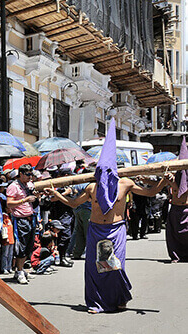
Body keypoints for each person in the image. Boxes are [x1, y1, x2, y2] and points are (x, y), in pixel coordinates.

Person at [45, 121, 170, 313]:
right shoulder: (91, 188)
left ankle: (121, 298)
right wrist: (58, 194)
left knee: (115, 266)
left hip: (116, 230)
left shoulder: (125, 184)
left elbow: (149, 193)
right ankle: (96, 302)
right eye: (100, 171)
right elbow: (73, 204)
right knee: (95, 268)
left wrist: (163, 182)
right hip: (95, 230)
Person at [7, 165, 37, 284]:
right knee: (22, 247)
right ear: (21, 174)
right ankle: (19, 271)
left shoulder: (28, 185)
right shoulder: (13, 186)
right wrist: (24, 200)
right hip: (20, 219)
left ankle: (20, 269)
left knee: (29, 245)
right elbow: (9, 204)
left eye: (31, 174)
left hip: (31, 217)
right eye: (28, 174)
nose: (30, 177)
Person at [165, 142, 188, 262]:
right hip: (175, 209)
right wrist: (144, 179)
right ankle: (176, 255)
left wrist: (172, 182)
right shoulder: (172, 175)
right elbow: (155, 187)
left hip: (186, 210)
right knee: (174, 235)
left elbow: (182, 190)